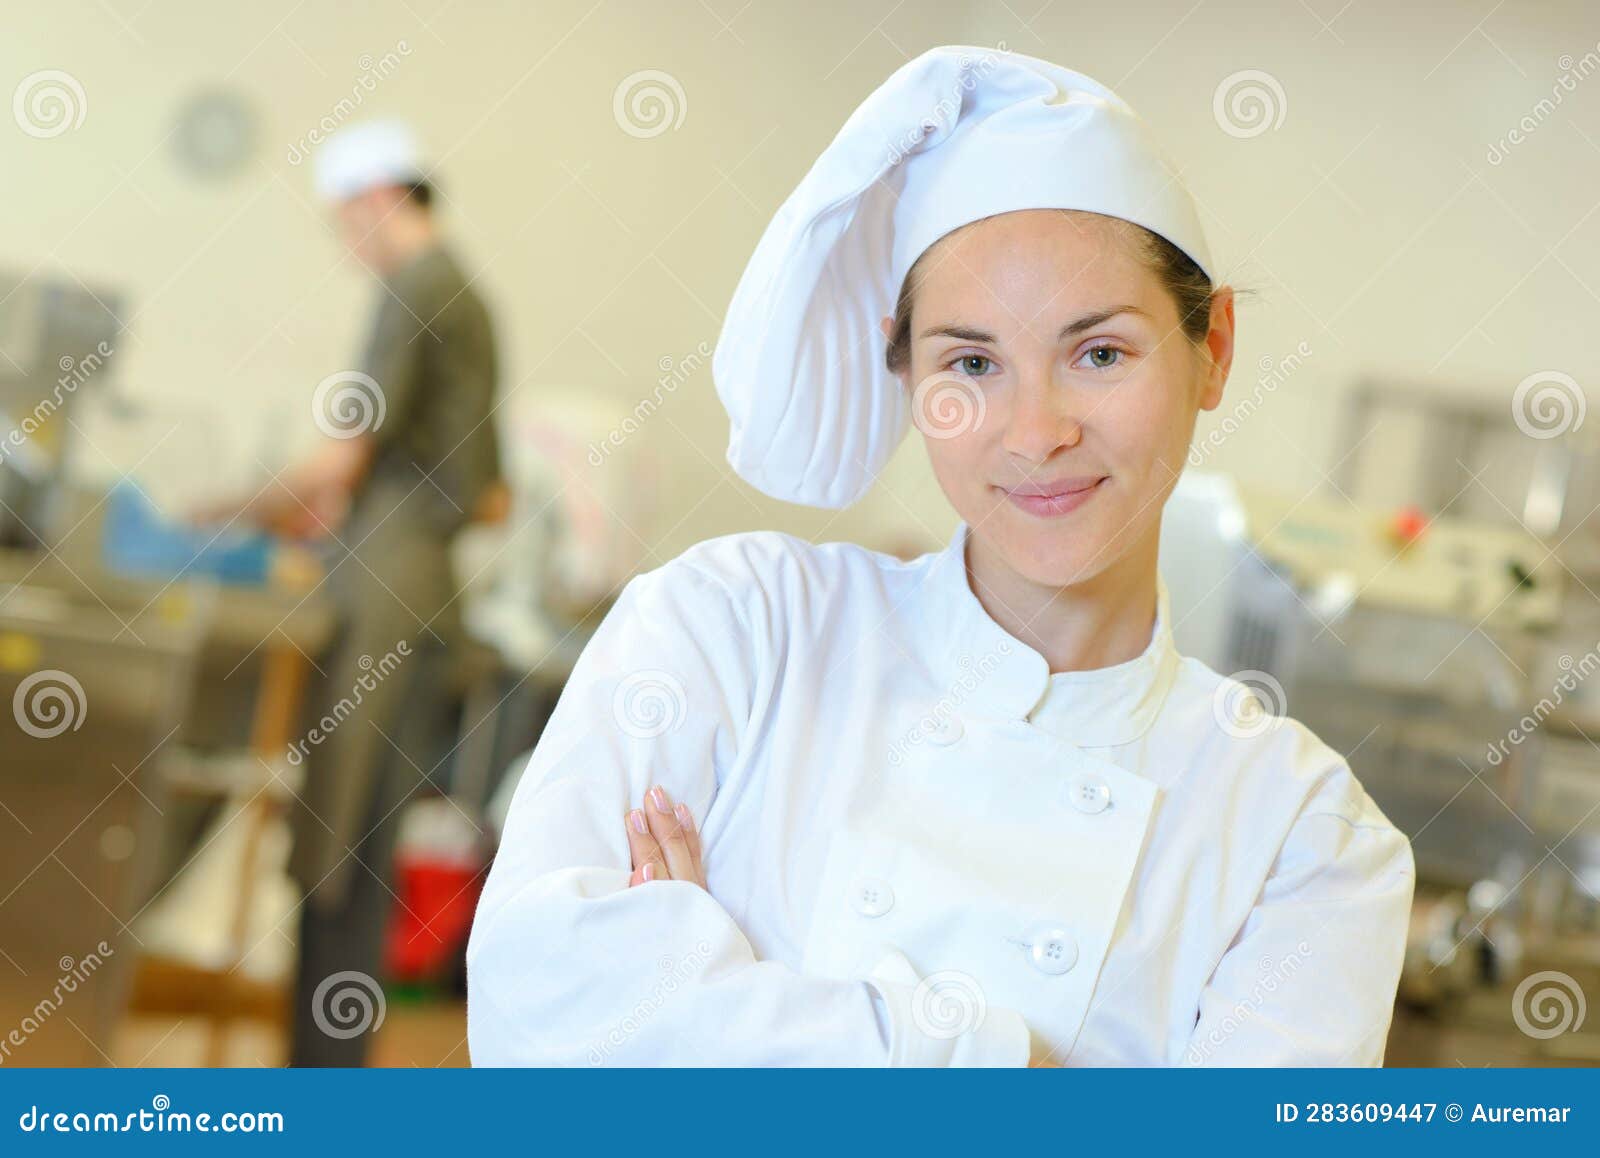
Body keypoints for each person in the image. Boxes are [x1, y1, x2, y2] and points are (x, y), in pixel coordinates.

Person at [466, 48, 1414, 1066]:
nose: (1035, 433)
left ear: (1213, 348)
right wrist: (1004, 1068)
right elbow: (539, 1017)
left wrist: (709, 1016)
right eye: (971, 362)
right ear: (907, 369)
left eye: (1099, 353)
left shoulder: (1302, 838)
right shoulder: (735, 627)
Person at [203, 120, 502, 1066]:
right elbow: (485, 492)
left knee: (341, 851)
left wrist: (223, 511)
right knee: (351, 842)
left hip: (386, 599)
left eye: (344, 223)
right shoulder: (461, 293)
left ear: (377, 199)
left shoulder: (417, 287)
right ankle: (321, 1071)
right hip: (408, 588)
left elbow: (343, 458)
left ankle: (322, 1082)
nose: (348, 246)